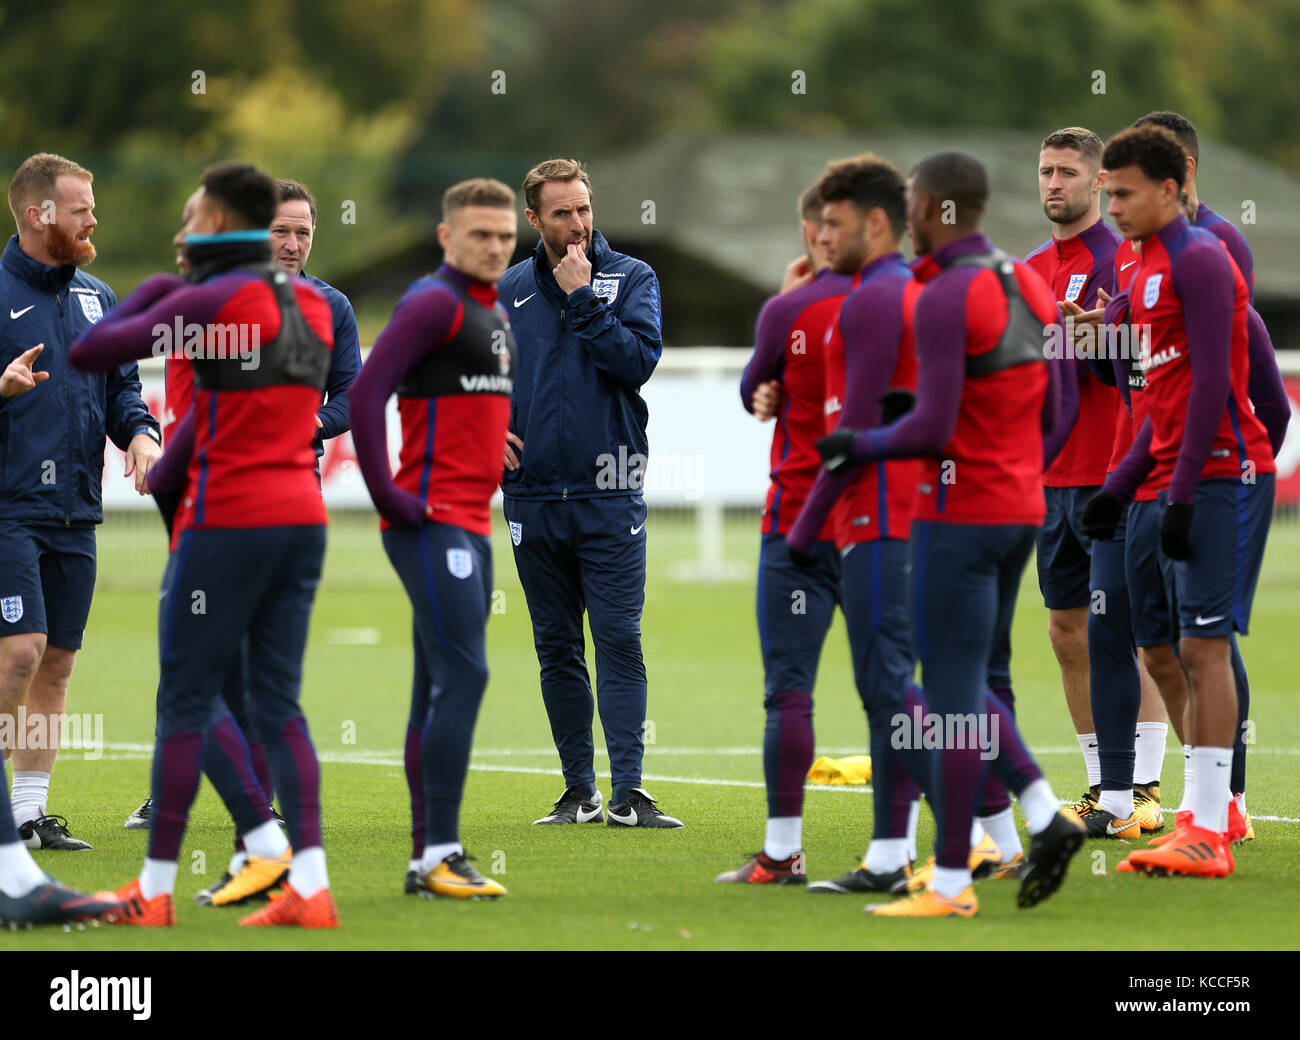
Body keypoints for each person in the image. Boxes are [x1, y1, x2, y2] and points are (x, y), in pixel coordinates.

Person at [69, 161, 338, 927]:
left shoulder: (211, 299)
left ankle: (153, 890)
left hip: (230, 520)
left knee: (186, 697)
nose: (182, 229)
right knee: (280, 702)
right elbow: (226, 411)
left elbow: (95, 353)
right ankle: (309, 884)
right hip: (301, 519)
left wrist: (158, 290)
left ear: (218, 223)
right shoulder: (313, 307)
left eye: (192, 216)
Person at [818, 151, 1085, 916]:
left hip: (957, 515)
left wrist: (859, 444)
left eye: (911, 204)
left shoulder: (940, 296)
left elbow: (933, 426)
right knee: (970, 685)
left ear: (933, 205)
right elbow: (1061, 404)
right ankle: (1040, 816)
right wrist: (1022, 470)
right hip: (1022, 511)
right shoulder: (1026, 279)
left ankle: (954, 883)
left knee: (952, 693)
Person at [122, 176, 360, 852]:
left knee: (246, 661)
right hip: (195, 488)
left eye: (303, 233)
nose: (292, 243)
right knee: (199, 654)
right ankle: (221, 798)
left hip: (270, 496)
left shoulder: (327, 305)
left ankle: (256, 812)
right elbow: (182, 395)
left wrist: (308, 422)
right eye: (281, 230)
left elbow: (351, 390)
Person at [1081, 125, 1276, 878]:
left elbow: (1209, 390)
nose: (1115, 206)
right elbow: (1156, 397)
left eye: (1124, 192)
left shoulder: (1200, 259)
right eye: (1110, 192)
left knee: (1204, 647)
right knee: (1157, 649)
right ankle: (1198, 812)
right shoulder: (1143, 268)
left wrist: (1187, 490)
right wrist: (1121, 487)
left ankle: (1213, 825)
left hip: (1216, 476)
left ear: (1171, 187)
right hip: (1160, 475)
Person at [498, 158, 680, 828]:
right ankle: (579, 790)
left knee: (618, 636)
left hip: (610, 492)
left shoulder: (631, 278)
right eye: (561, 213)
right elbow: (479, 378)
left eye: (584, 208)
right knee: (555, 645)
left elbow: (636, 363)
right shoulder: (507, 290)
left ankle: (630, 791)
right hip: (532, 496)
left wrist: (583, 299)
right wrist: (488, 434)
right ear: (534, 219)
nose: (577, 224)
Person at [351, 177, 518, 899]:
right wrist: (388, 493)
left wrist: (494, 441)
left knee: (434, 686)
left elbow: (458, 404)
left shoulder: (494, 311)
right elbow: (364, 394)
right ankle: (440, 853)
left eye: (506, 237)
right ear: (447, 236)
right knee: (467, 674)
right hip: (431, 522)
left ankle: (428, 858)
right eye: (480, 234)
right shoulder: (431, 303)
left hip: (471, 523)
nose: (495, 247)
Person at [0, 152, 161, 851]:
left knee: (57, 660)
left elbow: (123, 389)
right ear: (39, 216)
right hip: (8, 510)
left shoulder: (99, 297)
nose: (93, 220)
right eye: (81, 210)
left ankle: (30, 815)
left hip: (76, 511)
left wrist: (144, 434)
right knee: (19, 652)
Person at [777, 156, 924, 894]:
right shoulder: (904, 292)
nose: (821, 237)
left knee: (894, 690)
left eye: (833, 223)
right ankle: (893, 858)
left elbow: (854, 434)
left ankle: (1014, 813)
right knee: (899, 690)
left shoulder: (876, 299)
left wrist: (803, 530)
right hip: (899, 514)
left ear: (873, 223)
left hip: (884, 517)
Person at [1023, 127, 1168, 838]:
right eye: (1045, 171)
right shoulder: (1024, 269)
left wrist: (1100, 339)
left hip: (1116, 473)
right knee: (1065, 629)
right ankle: (1103, 783)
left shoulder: (1126, 257)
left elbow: (1150, 357)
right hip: (1048, 478)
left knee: (1129, 635)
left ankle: (1143, 787)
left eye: (1067, 172)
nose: (1054, 183)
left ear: (1099, 181)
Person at [715, 178, 854, 885]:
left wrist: (783, 313)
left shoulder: (791, 308)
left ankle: (783, 851)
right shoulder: (911, 301)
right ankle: (915, 850)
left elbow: (751, 390)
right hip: (881, 526)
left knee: (789, 691)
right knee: (899, 690)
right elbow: (757, 391)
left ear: (810, 234)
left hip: (798, 522)